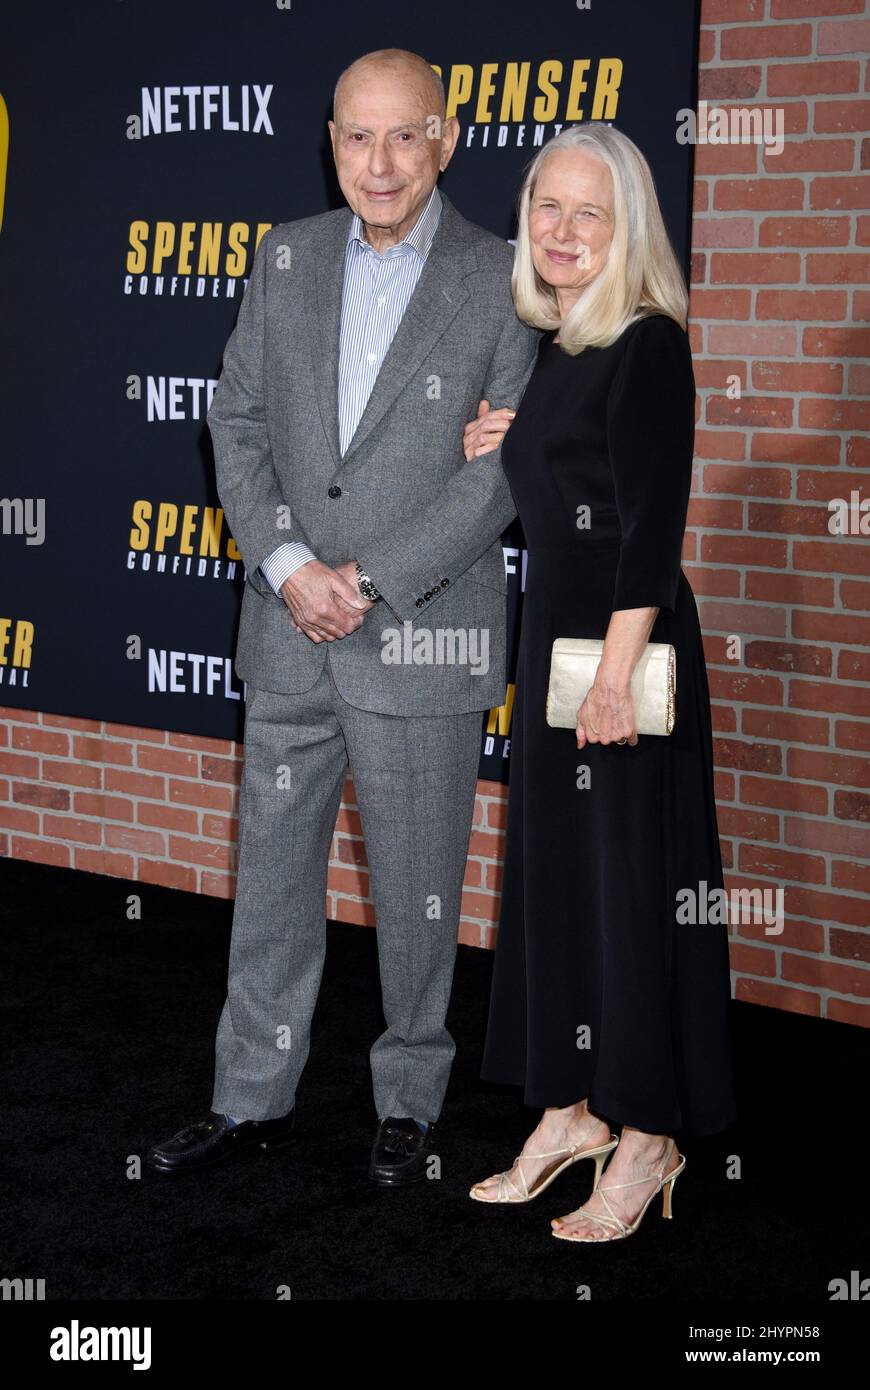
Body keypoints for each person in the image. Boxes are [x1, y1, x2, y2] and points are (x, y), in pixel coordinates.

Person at [146, 48, 539, 1185]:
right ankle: (249, 1095)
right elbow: (236, 420)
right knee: (271, 883)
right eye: (358, 137)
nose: (380, 162)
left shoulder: (501, 276)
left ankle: (409, 1099)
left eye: (405, 135)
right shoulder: (287, 257)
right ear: (331, 143)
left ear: (446, 140)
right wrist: (285, 564)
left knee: (418, 896)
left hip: (418, 633)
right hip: (288, 627)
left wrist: (361, 581)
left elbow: (499, 476)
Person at [464, 123, 737, 1239]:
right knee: (562, 883)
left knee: (629, 891)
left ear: (628, 229)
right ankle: (570, 1110)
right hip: (557, 651)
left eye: (591, 212)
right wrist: (513, 442)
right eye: (548, 206)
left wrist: (616, 679)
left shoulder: (649, 342)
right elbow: (574, 491)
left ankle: (649, 1134)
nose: (564, 230)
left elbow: (649, 529)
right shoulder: (562, 346)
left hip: (621, 653)